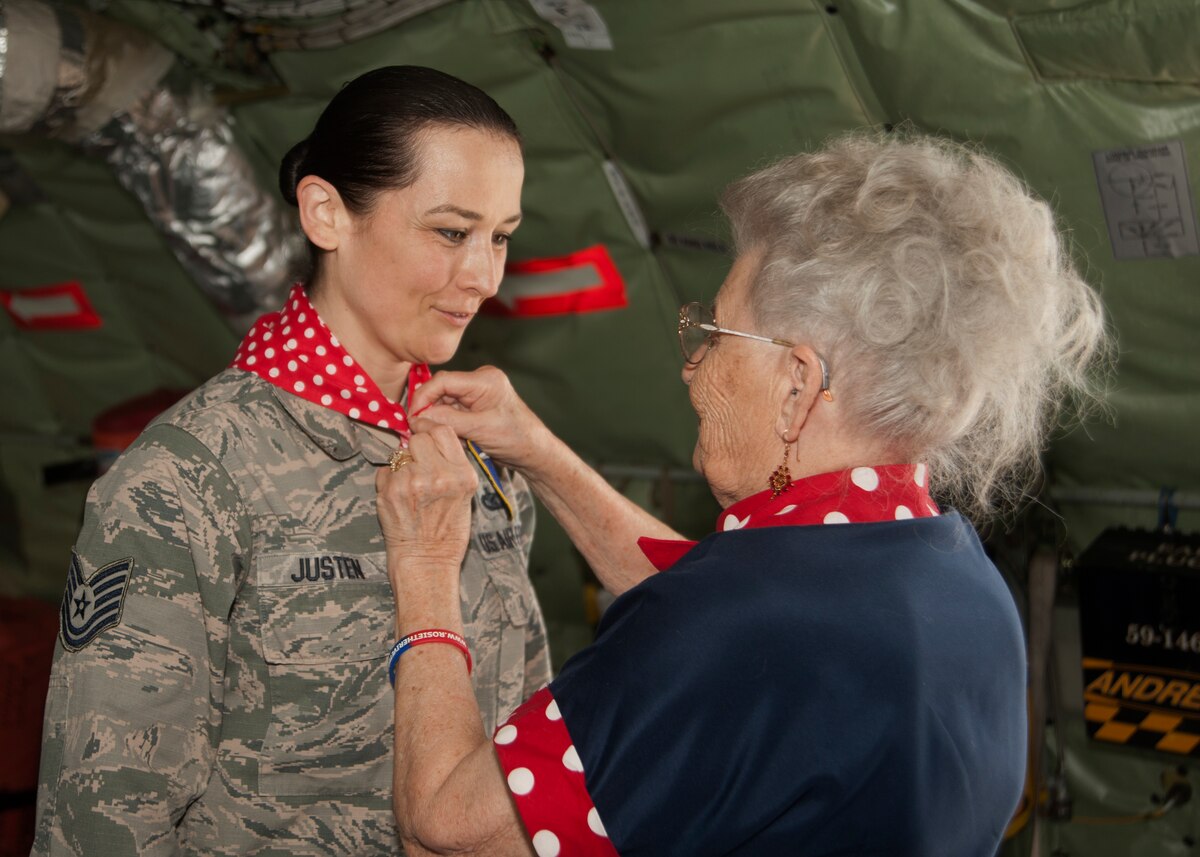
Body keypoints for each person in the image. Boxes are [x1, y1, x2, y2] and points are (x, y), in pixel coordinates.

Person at [375, 131, 1109, 856]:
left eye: (716, 333)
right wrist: (539, 452)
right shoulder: (965, 585)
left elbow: (448, 827)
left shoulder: (741, 629)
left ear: (797, 385)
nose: (692, 368)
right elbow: (709, 619)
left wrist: (426, 561)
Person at [32, 65, 550, 856]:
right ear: (326, 213)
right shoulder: (185, 479)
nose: (482, 275)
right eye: (451, 231)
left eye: (501, 236)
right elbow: (103, 822)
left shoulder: (475, 455)